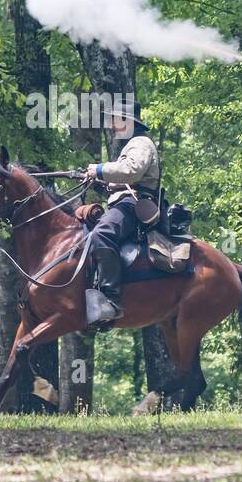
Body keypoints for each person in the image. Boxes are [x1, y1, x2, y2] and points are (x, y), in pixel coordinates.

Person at [82, 103, 161, 330]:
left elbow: (131, 171)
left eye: (116, 120)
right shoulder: (131, 145)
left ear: (129, 122)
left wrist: (99, 169)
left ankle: (110, 301)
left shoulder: (141, 143)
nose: (113, 125)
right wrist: (97, 181)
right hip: (124, 201)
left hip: (134, 204)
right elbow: (119, 182)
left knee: (101, 234)